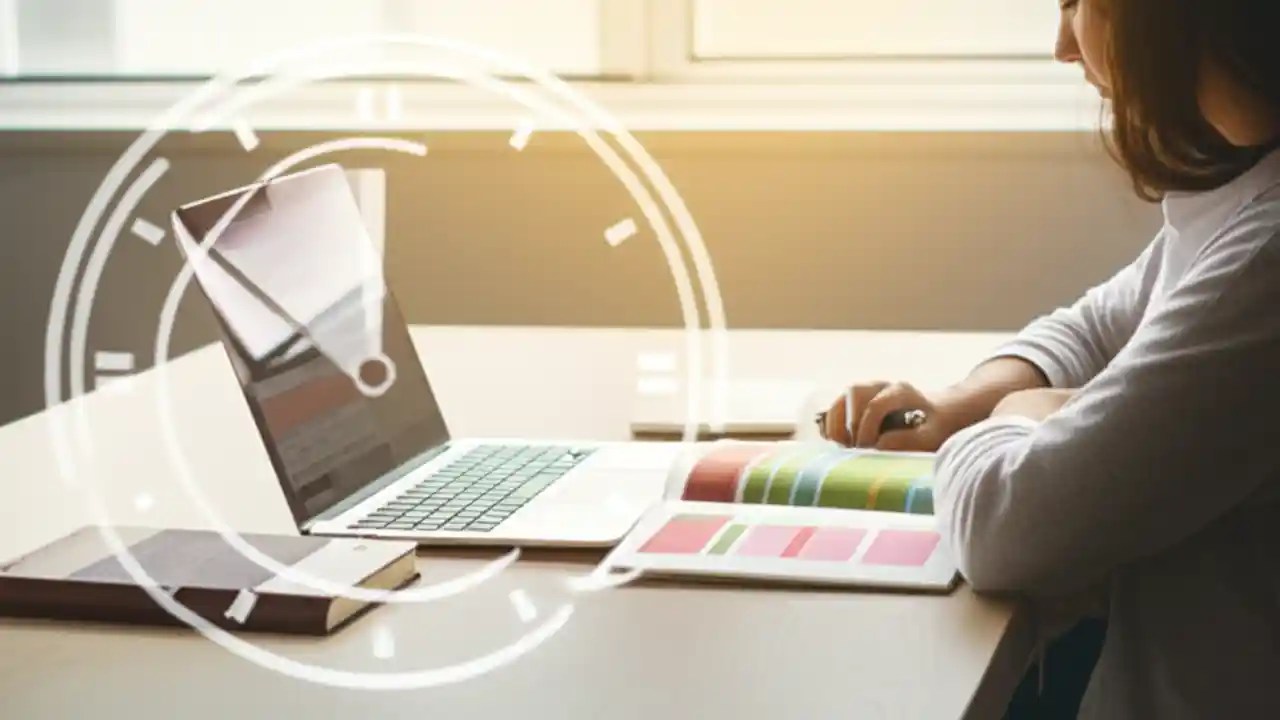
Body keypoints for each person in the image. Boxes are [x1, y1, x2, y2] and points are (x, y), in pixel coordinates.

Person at [820, 0, 1280, 718]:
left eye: (1075, 4)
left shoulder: (1266, 255)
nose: (1063, 45)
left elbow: (1008, 528)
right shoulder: (1243, 188)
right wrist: (967, 399)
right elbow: (1106, 321)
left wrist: (1017, 412)